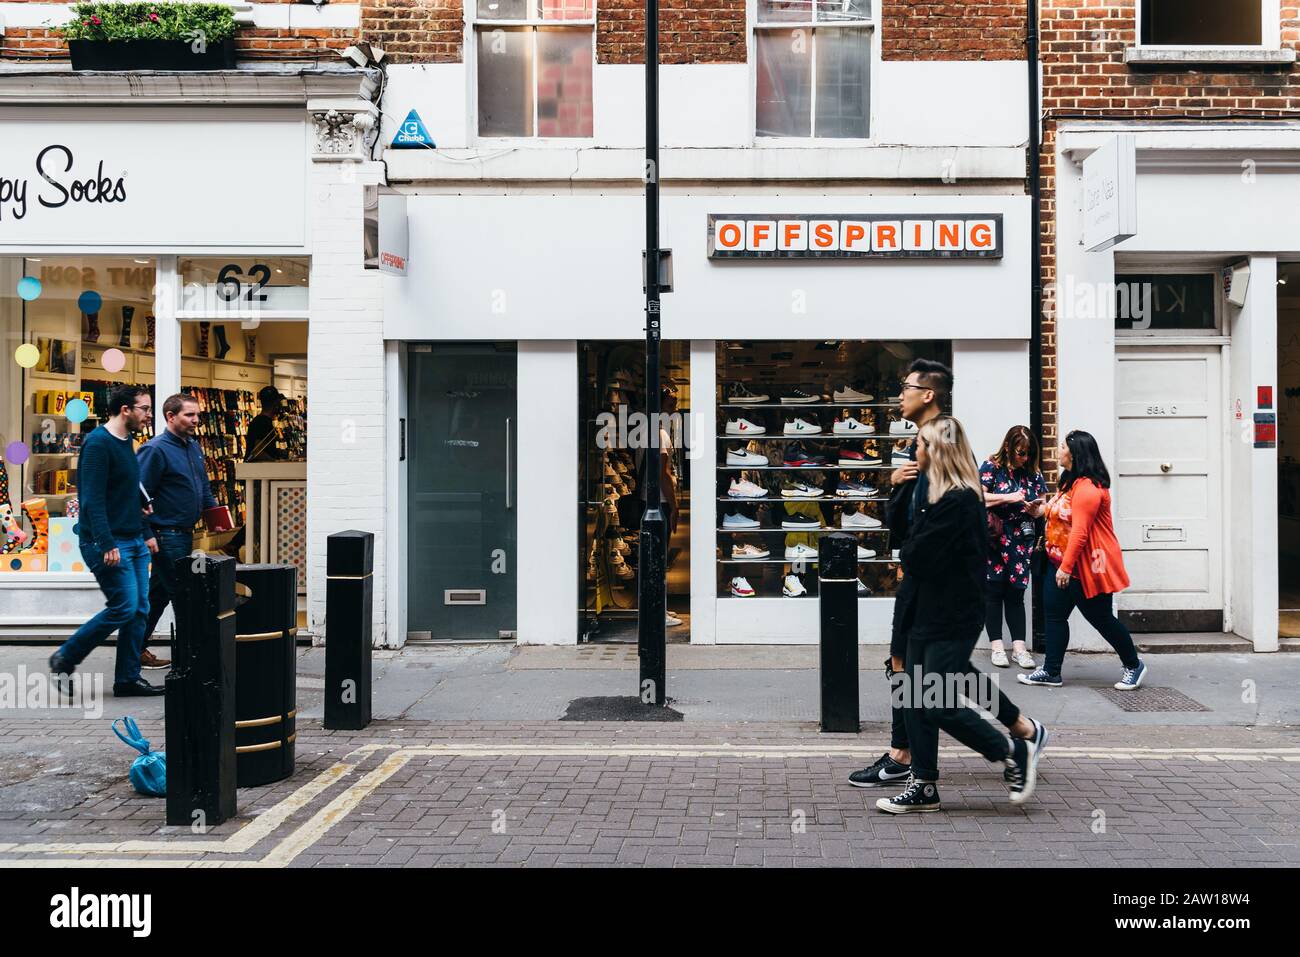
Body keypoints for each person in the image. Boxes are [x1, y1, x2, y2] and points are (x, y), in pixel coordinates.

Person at [877, 415, 1048, 813]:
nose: (912, 451)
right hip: (920, 606)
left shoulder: (957, 500)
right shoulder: (929, 491)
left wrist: (912, 541)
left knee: (934, 699)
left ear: (936, 452)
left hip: (952, 612)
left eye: (919, 445)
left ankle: (1009, 750)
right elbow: (899, 535)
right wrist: (898, 489)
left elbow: (915, 555)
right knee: (912, 693)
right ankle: (924, 785)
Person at [850, 358, 947, 786]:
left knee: (922, 669)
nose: (900, 395)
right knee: (904, 662)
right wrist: (894, 482)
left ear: (927, 394)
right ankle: (902, 751)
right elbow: (902, 520)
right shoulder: (918, 443)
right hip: (917, 573)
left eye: (906, 387)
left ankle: (1016, 732)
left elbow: (951, 512)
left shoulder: (942, 440)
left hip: (933, 579)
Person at [48, 385, 163, 697]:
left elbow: (127, 487)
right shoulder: (98, 443)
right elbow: (92, 500)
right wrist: (106, 542)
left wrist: (146, 529)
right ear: (125, 410)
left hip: (134, 539)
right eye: (144, 408)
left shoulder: (128, 442)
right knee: (124, 607)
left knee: (140, 609)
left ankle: (127, 679)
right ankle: (65, 657)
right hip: (108, 543)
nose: (148, 414)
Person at [1018, 430, 1147, 690]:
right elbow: (1061, 511)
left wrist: (1066, 568)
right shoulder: (1070, 481)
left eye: (1062, 446)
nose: (1058, 449)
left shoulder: (1089, 488)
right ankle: (1052, 671)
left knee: (1101, 619)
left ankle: (1134, 665)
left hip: (1085, 566)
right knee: (1054, 615)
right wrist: (1040, 510)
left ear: (1074, 453)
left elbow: (1080, 531)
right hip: (1060, 563)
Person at [137, 393, 219, 669]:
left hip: (184, 532)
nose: (196, 420)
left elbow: (203, 486)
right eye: (189, 415)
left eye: (197, 415)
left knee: (157, 595)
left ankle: (134, 649)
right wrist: (147, 532)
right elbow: (138, 494)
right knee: (184, 594)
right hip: (165, 533)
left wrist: (215, 515)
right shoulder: (155, 449)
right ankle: (191, 658)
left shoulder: (193, 446)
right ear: (170, 417)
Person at [979, 425, 1048, 669]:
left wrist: (1035, 509)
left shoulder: (1033, 472)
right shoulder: (991, 467)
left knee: (1016, 593)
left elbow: (1043, 506)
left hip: (1021, 540)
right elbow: (978, 496)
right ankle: (997, 646)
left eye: (1028, 453)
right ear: (1008, 447)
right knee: (994, 592)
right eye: (1020, 452)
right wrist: (1009, 497)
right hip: (995, 538)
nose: (1025, 458)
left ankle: (1020, 647)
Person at [635, 385, 683, 628]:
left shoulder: (645, 430)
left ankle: (659, 606)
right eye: (670, 404)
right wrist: (674, 506)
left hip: (649, 498)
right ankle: (656, 611)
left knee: (654, 555)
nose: (673, 408)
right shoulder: (659, 434)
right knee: (658, 557)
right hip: (658, 501)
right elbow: (663, 474)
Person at [246, 385, 286, 462]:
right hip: (260, 471)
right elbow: (258, 452)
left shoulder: (259, 421)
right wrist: (276, 462)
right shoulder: (263, 423)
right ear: (275, 403)